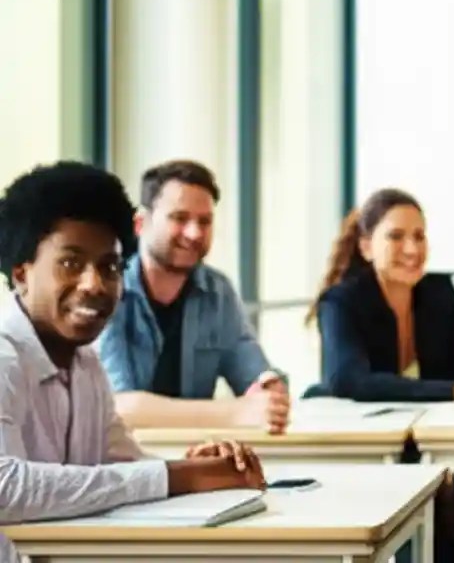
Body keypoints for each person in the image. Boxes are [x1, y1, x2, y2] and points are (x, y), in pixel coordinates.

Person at [0, 161, 264, 563]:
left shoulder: (86, 366)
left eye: (110, 267)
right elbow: (5, 488)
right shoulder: (4, 354)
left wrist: (198, 468)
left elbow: (123, 466)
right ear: (21, 272)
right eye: (71, 263)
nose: (94, 284)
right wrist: (176, 477)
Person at [309, 188, 454, 563]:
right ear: (366, 246)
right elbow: (349, 380)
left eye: (419, 236)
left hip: (434, 447)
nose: (412, 249)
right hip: (363, 451)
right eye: (396, 237)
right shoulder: (341, 301)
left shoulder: (439, 294)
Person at [97, 160, 289, 432]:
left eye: (205, 221)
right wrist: (233, 413)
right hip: (121, 464)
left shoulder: (218, 291)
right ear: (141, 223)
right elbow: (120, 408)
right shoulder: (107, 289)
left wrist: (270, 392)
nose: (194, 233)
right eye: (179, 218)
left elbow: (254, 377)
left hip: (194, 459)